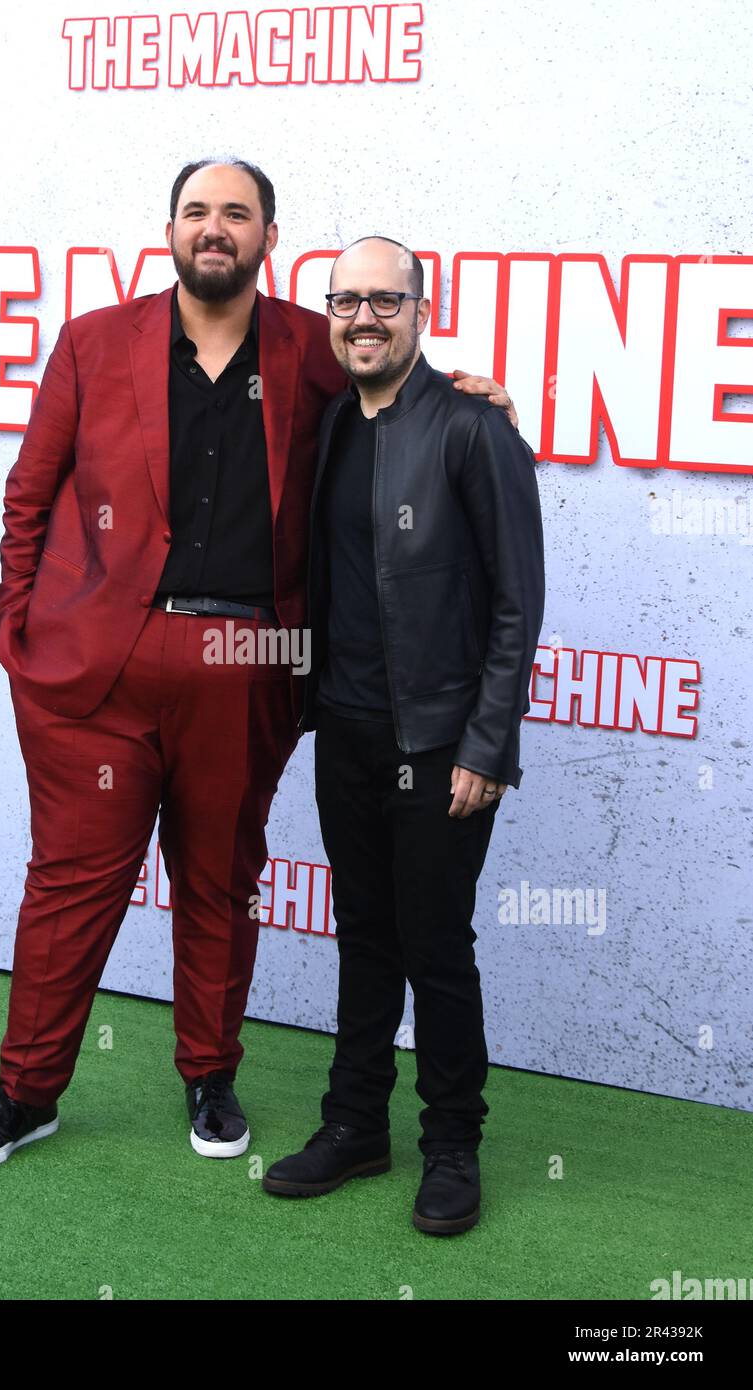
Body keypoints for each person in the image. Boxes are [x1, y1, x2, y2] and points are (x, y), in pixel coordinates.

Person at [0, 163, 516, 1174]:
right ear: (170, 229)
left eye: (236, 214)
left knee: (221, 882)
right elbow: (27, 495)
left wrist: (468, 390)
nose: (216, 228)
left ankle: (211, 1075)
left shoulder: (312, 347)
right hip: (100, 669)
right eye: (199, 211)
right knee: (71, 885)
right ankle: (25, 1092)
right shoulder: (92, 342)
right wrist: (21, 630)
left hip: (246, 659)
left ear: (268, 234)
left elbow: (396, 388)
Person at [262, 236, 545, 1234]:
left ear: (423, 309)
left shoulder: (473, 430)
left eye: (385, 300)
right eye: (346, 301)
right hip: (345, 729)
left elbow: (518, 602)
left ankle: (453, 1146)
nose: (364, 318)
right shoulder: (336, 423)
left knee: (437, 945)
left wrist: (486, 744)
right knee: (364, 936)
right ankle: (355, 1126)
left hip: (440, 744)